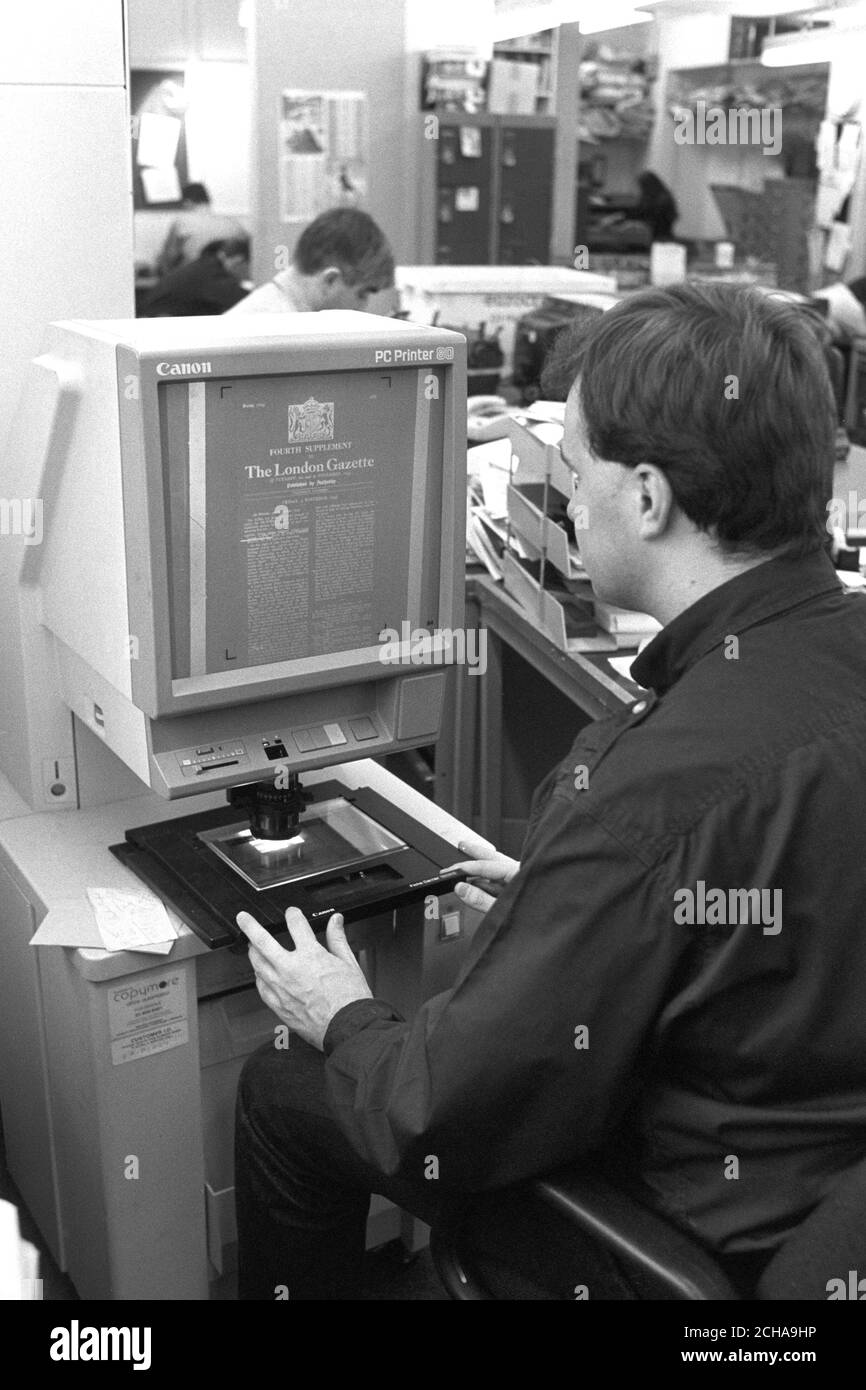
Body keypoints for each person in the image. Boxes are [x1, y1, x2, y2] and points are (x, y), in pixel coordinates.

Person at [234, 282, 866, 1301]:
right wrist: (574, 895)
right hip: (818, 1205)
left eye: (569, 470)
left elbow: (435, 1111)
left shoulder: (649, 797)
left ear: (649, 498)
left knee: (281, 1084)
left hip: (687, 1238)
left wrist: (342, 1014)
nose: (564, 499)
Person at [226, 206, 394, 314]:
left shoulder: (273, 307)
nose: (363, 307)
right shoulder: (280, 333)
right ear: (330, 280)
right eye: (362, 294)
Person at [139, 237, 250, 316]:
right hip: (160, 325)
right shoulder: (213, 274)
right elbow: (246, 302)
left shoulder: (205, 264)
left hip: (157, 317)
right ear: (238, 260)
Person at [155, 182, 246, 277]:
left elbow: (169, 257)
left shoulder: (182, 221)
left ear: (187, 202)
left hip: (195, 279)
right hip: (228, 280)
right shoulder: (232, 223)